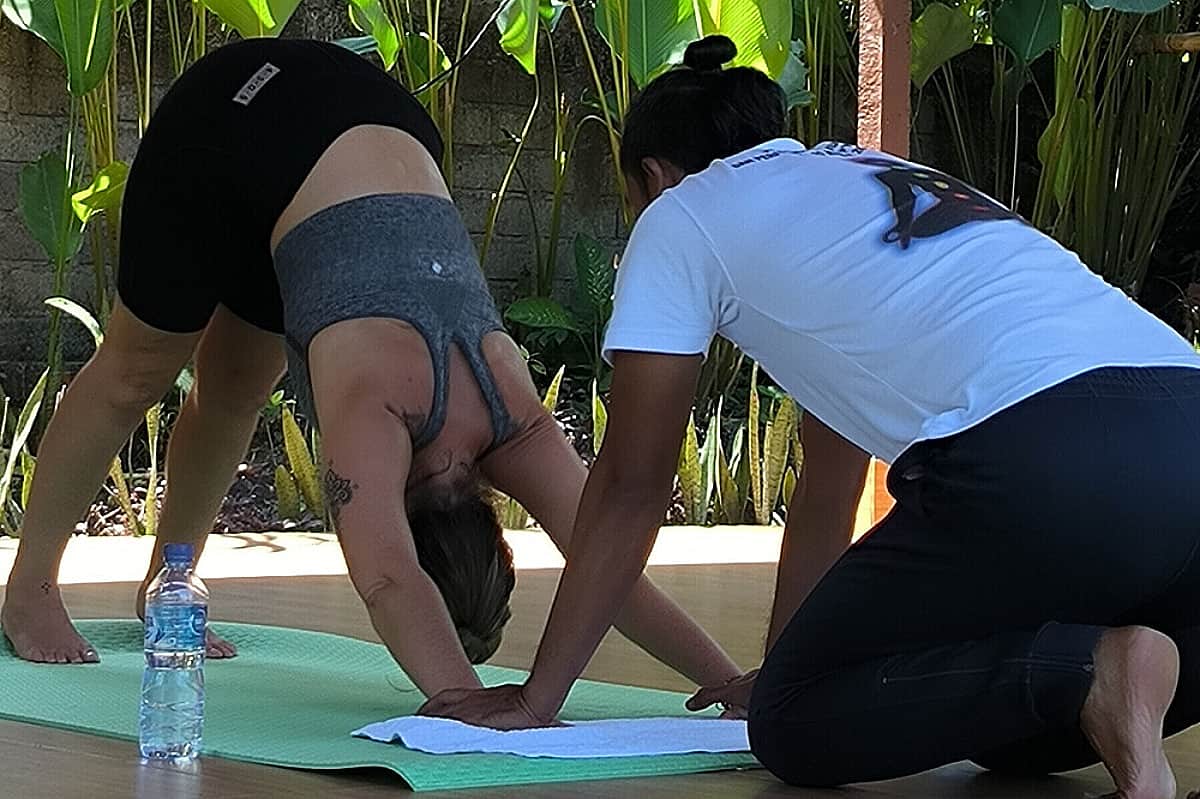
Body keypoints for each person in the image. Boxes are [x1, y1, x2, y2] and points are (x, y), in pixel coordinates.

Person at [418, 35, 1200, 799]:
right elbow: (829, 484)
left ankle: (1094, 666)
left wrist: (536, 697)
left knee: (796, 725)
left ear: (654, 176)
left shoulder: (682, 212)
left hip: (1042, 447)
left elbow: (629, 484)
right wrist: (792, 665)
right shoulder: (873, 178)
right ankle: (1106, 669)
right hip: (1182, 417)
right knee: (1005, 732)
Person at [0, 38, 744, 703]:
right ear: (403, 520)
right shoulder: (378, 413)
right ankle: (29, 588)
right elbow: (390, 580)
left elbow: (612, 561)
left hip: (367, 125)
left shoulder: (510, 411)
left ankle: (169, 581)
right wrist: (462, 700)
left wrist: (728, 677)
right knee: (135, 370)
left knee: (234, 386)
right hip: (235, 120)